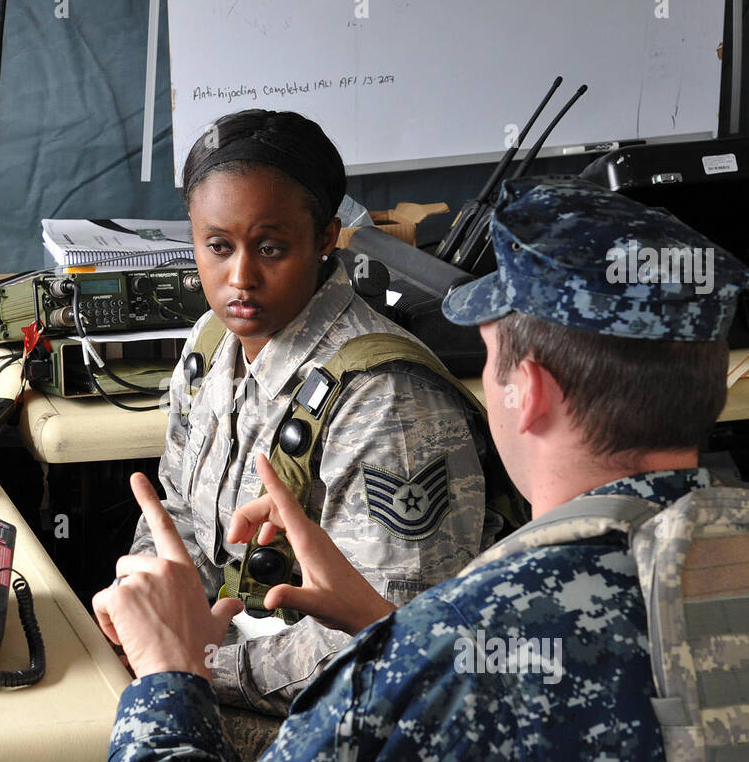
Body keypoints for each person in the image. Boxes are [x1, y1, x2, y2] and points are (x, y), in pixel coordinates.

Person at [93, 176, 749, 762]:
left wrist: (171, 676)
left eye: (489, 358)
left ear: (527, 392)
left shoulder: (459, 649)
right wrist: (385, 629)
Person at [126, 109, 498, 730]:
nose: (240, 278)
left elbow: (385, 637)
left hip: (340, 721)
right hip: (217, 662)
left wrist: (191, 663)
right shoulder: (210, 343)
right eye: (218, 247)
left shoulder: (384, 401)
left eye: (271, 248)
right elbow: (178, 512)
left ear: (326, 237)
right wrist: (146, 597)